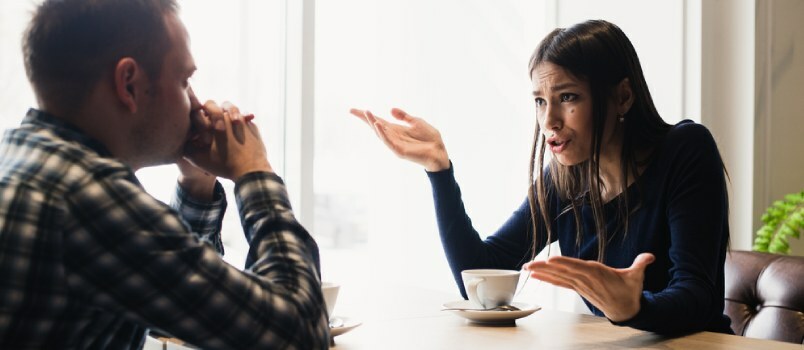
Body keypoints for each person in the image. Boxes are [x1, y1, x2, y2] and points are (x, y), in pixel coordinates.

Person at [350, 19, 732, 335]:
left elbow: (697, 296)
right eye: (539, 101)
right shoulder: (564, 179)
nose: (548, 121)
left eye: (568, 97)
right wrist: (439, 170)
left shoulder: (686, 149)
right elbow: (483, 273)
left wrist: (634, 306)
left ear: (623, 97)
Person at [0, 0, 328, 348]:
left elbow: (171, 306)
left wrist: (195, 184)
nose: (198, 105)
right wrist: (254, 171)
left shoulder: (25, 156)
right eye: (184, 80)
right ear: (129, 84)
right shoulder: (87, 195)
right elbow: (299, 332)